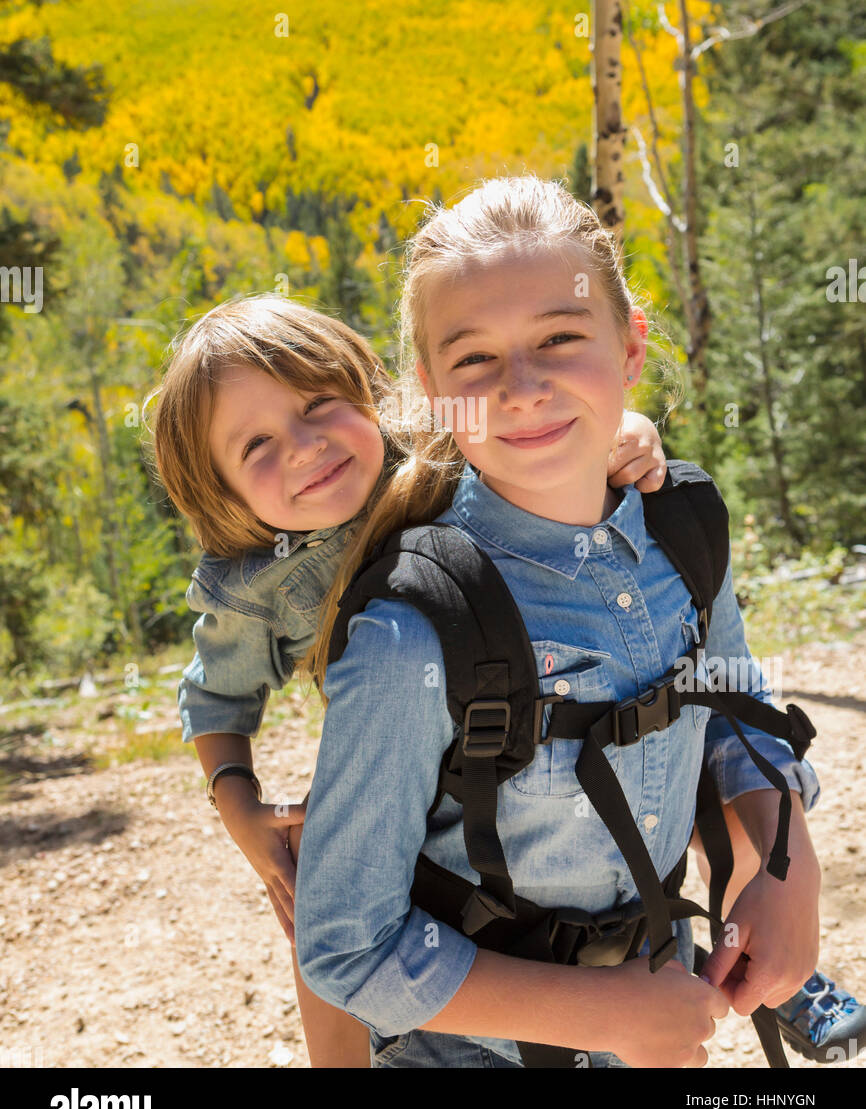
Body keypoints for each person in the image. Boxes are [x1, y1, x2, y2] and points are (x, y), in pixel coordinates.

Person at [293, 175, 842, 1068]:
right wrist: (604, 1017)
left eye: (559, 337)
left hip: (656, 1022)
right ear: (433, 389)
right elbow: (345, 947)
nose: (521, 387)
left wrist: (786, 862)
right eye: (473, 360)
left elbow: (733, 699)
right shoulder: (413, 629)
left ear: (630, 348)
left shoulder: (682, 526)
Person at [146, 289, 669, 1067]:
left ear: (372, 392)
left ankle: (768, 965)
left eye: (320, 403)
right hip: (394, 750)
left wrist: (630, 433)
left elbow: (546, 425)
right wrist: (242, 813)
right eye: (255, 447)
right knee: (328, 901)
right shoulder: (257, 583)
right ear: (222, 495)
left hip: (527, 719)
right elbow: (215, 695)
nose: (302, 446)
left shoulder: (444, 447)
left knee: (684, 752)